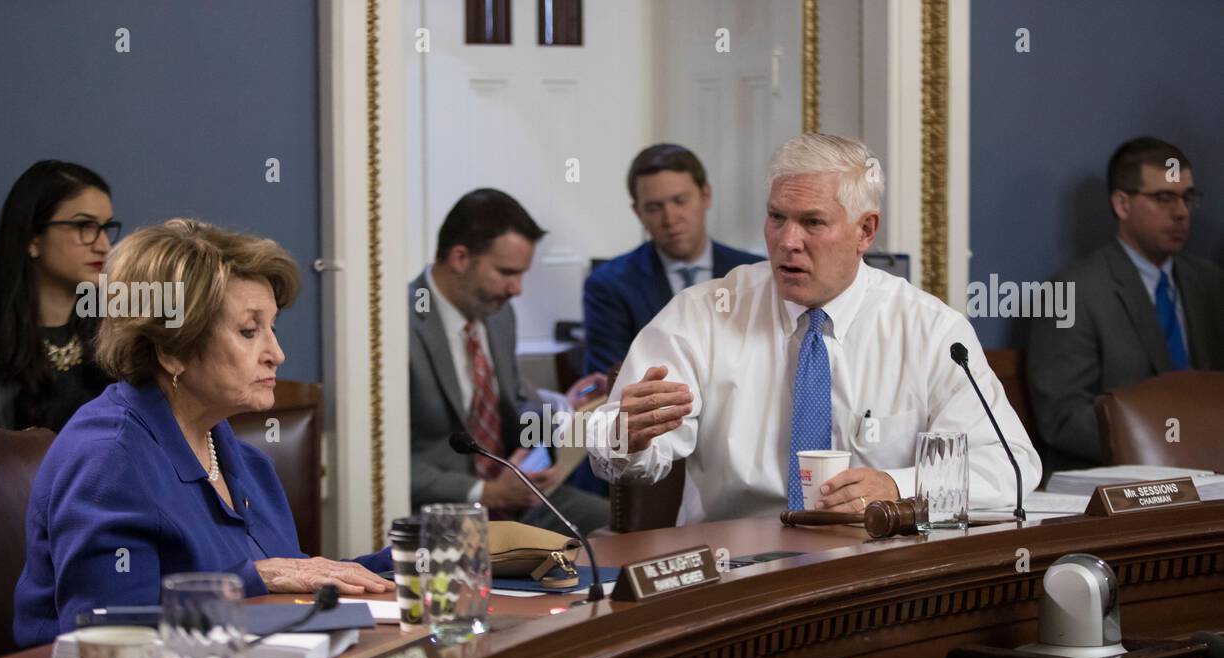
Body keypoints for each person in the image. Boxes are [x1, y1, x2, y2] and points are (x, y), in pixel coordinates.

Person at [587, 133, 1040, 525]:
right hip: (735, 570)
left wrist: (897, 487)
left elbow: (1010, 468)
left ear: (865, 231)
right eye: (776, 217)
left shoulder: (928, 330)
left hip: (875, 565)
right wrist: (627, 434)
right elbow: (615, 448)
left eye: (812, 222)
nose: (787, 241)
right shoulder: (704, 313)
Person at [14, 219, 392, 648]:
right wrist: (255, 578)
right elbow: (107, 634)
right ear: (173, 350)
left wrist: (413, 559)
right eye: (250, 332)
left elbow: (299, 581)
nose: (277, 354)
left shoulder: (245, 462)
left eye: (273, 328)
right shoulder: (108, 460)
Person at [409, 189, 610, 534]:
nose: (517, 289)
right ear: (460, 258)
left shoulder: (499, 317)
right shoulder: (395, 326)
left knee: (617, 524)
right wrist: (487, 492)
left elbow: (514, 401)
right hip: (441, 514)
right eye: (507, 273)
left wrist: (562, 413)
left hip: (516, 500)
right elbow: (381, 461)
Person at [1028, 137, 1224, 472]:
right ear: (1122, 204)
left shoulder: (1211, 283)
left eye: (1187, 198)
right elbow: (1062, 417)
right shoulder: (1072, 291)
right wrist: (1168, 445)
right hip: (1122, 483)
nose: (1180, 213)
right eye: (1164, 198)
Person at [0, 161, 116, 431]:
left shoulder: (115, 324)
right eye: (84, 227)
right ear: (32, 237)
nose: (104, 246)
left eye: (106, 228)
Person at [582, 144, 764, 376]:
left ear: (705, 196)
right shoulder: (609, 284)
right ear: (638, 213)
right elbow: (610, 380)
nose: (670, 219)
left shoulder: (754, 272)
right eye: (654, 207)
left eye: (680, 201)